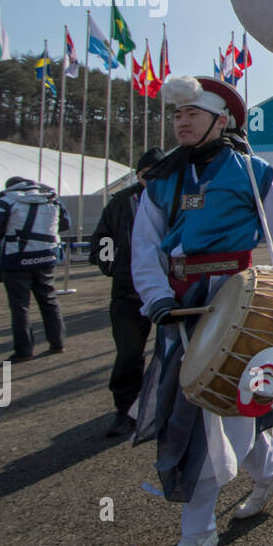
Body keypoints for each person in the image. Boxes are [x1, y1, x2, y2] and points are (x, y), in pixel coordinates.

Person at [132, 75, 273, 546]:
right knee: (223, 401)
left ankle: (198, 532)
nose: (182, 122)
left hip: (237, 305)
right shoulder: (162, 179)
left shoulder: (254, 173)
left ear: (222, 120)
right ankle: (271, 468)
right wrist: (157, 298)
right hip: (179, 307)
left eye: (193, 113)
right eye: (177, 114)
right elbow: (145, 248)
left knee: (202, 419)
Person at [92, 146, 165, 438]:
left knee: (173, 349)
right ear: (138, 175)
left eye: (160, 173)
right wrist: (112, 265)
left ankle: (165, 403)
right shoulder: (121, 202)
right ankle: (126, 408)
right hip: (128, 290)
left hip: (170, 286)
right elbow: (102, 238)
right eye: (148, 174)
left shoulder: (174, 198)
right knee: (128, 352)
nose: (154, 180)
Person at [0, 176, 70, 362]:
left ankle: (24, 351)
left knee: (20, 307)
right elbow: (66, 224)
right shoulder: (51, 199)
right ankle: (58, 343)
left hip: (16, 258)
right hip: (47, 257)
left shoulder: (6, 201)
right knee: (49, 300)